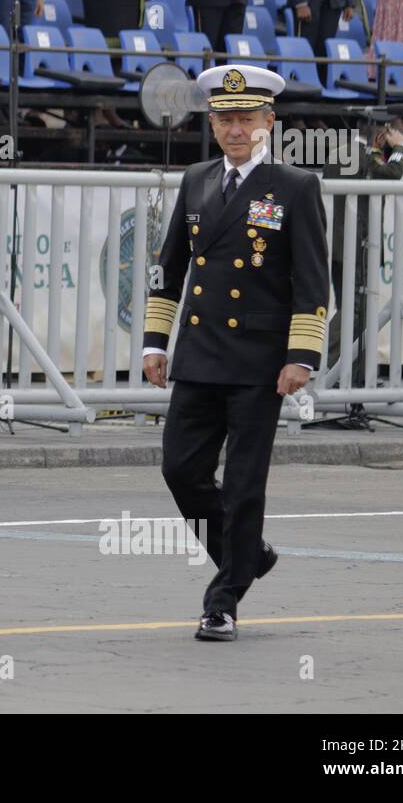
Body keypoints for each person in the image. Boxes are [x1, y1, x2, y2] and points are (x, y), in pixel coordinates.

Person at [142, 63, 329, 642]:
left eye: (246, 119)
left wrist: (301, 356)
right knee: (180, 468)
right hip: (199, 354)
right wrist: (155, 341)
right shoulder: (197, 179)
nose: (235, 129)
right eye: (225, 119)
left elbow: (312, 280)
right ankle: (245, 553)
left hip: (258, 360)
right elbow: (168, 266)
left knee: (245, 483)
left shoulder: (294, 187)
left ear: (269, 122)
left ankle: (224, 598)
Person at [322, 107, 403, 389]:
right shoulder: (364, 156)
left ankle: (353, 374)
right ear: (380, 133)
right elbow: (391, 174)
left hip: (344, 245)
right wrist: (402, 149)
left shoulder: (341, 151)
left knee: (354, 308)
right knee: (355, 309)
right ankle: (335, 373)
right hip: (357, 244)